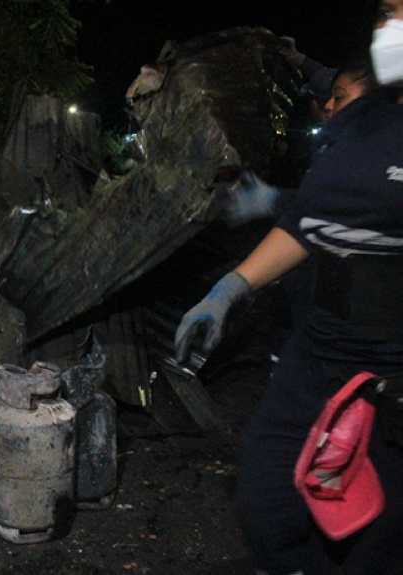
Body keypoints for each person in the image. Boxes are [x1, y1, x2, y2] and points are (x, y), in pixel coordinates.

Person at [175, 4, 403, 572]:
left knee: (372, 535)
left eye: (402, 12)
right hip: (316, 352)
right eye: (385, 12)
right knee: (268, 500)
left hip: (391, 373)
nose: (388, 27)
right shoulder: (362, 119)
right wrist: (229, 289)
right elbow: (307, 222)